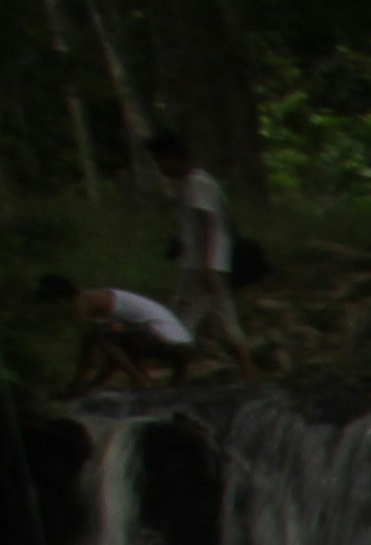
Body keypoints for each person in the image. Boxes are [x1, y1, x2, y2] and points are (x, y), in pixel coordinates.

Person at [141, 132, 249, 369]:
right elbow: (195, 226)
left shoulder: (198, 183)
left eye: (162, 161)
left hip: (203, 265)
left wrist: (208, 265)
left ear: (175, 157)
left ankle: (176, 375)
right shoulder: (186, 185)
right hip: (202, 263)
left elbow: (208, 224)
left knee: (181, 322)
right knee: (223, 320)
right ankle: (247, 372)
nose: (161, 168)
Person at [45, 277, 193, 389]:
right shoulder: (102, 304)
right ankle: (144, 380)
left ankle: (142, 380)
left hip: (167, 339)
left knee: (103, 334)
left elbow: (90, 362)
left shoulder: (84, 303)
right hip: (179, 340)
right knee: (116, 336)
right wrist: (87, 388)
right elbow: (112, 361)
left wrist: (80, 387)